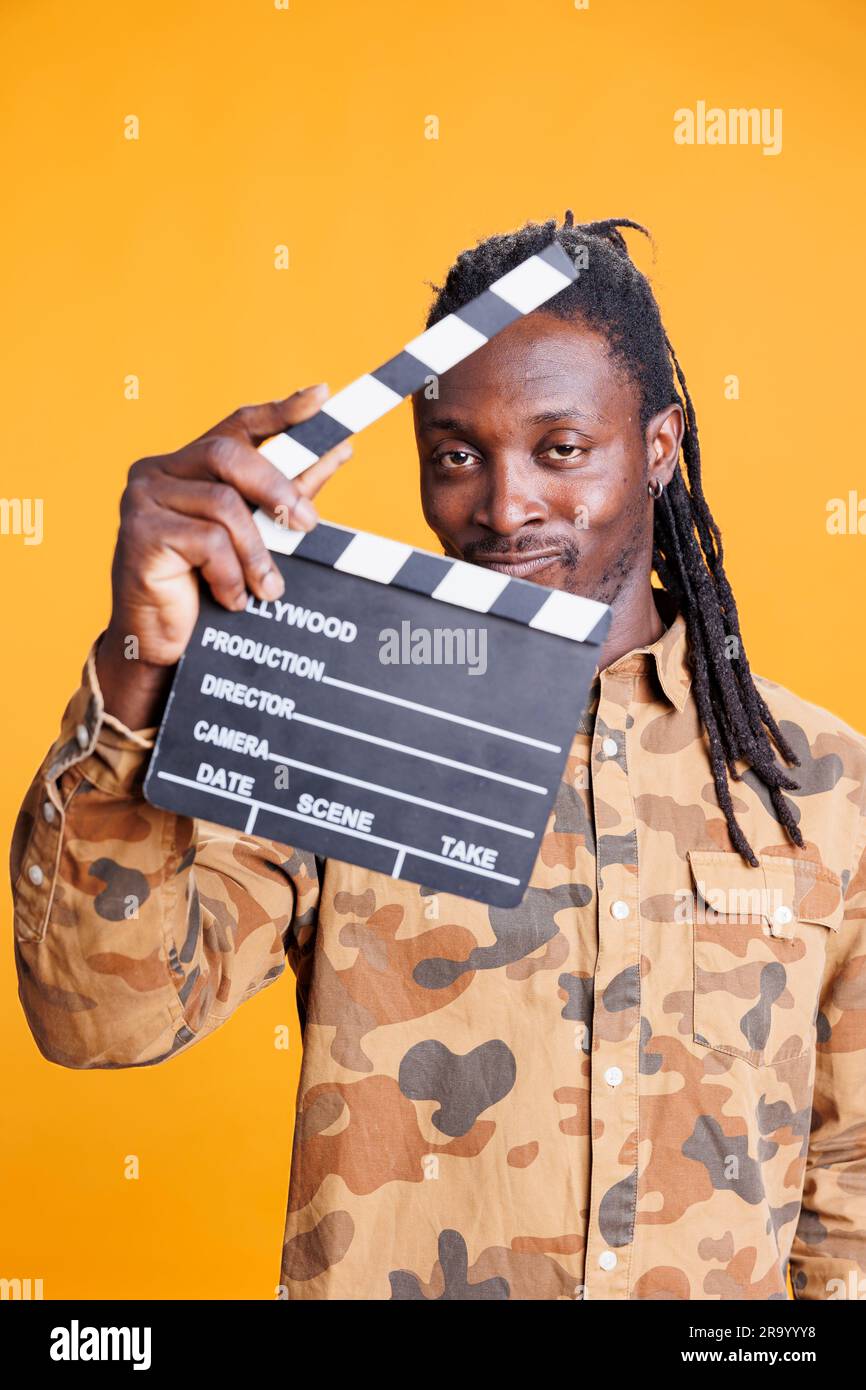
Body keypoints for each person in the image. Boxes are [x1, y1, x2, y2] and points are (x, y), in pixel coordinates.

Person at [11, 216, 866, 1301]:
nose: (504, 507)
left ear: (657, 445)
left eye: (561, 449)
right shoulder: (341, 726)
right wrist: (138, 662)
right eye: (457, 455)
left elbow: (849, 1193)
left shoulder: (821, 785)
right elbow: (100, 1017)